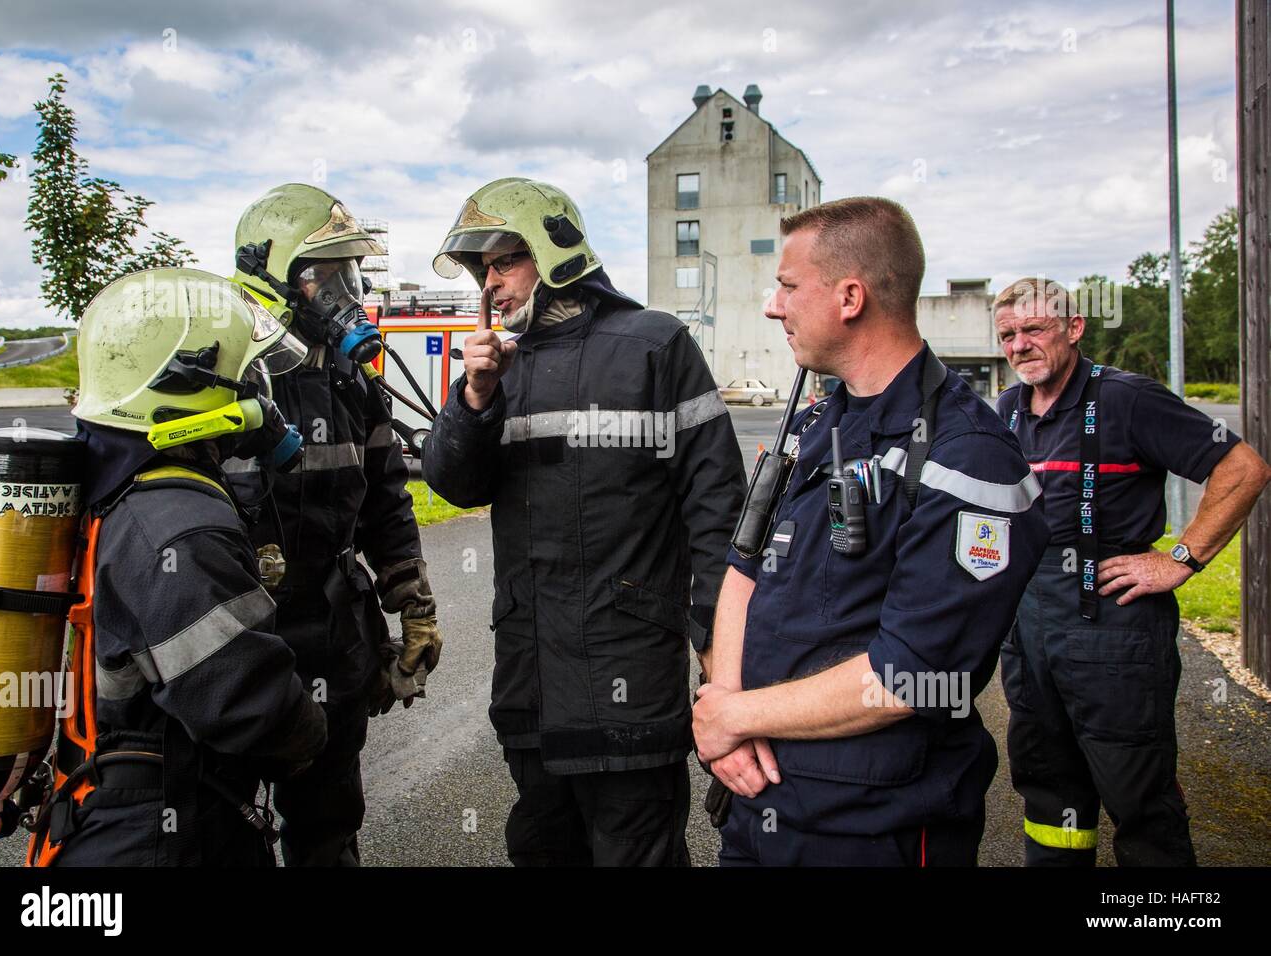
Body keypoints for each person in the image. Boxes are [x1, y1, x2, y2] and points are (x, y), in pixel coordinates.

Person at [692, 197, 1049, 866]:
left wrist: (732, 719)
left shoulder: (966, 455)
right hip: (758, 808)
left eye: (789, 287)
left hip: (869, 831)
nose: (775, 307)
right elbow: (742, 571)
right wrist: (727, 718)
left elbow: (910, 675)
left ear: (850, 296)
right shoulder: (816, 425)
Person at [424, 177, 744, 866]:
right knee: (541, 850)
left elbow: (717, 511)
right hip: (530, 690)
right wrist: (474, 398)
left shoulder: (654, 346)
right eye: (483, 269)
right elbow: (452, 485)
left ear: (555, 248)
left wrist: (721, 657)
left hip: (628, 688)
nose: (491, 282)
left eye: (504, 260)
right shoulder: (497, 368)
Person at [29, 267, 328, 866]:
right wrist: (313, 731)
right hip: (165, 831)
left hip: (116, 814)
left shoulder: (128, 489)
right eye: (245, 377)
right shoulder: (179, 526)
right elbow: (250, 705)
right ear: (185, 391)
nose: (260, 396)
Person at [993, 276, 1271, 866]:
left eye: (1034, 329)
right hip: (1029, 629)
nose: (1019, 345)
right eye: (1008, 335)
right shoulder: (1006, 410)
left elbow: (1243, 469)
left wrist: (1180, 558)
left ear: (1074, 328)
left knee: (1136, 793)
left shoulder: (1127, 399)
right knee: (1046, 786)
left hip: (1113, 629)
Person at [230, 184, 440, 866]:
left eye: (352, 272)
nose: (345, 290)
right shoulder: (229, 371)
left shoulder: (354, 378)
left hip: (332, 638)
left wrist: (413, 603)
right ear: (273, 275)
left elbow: (386, 501)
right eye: (328, 273)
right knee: (217, 831)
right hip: (239, 647)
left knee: (328, 829)